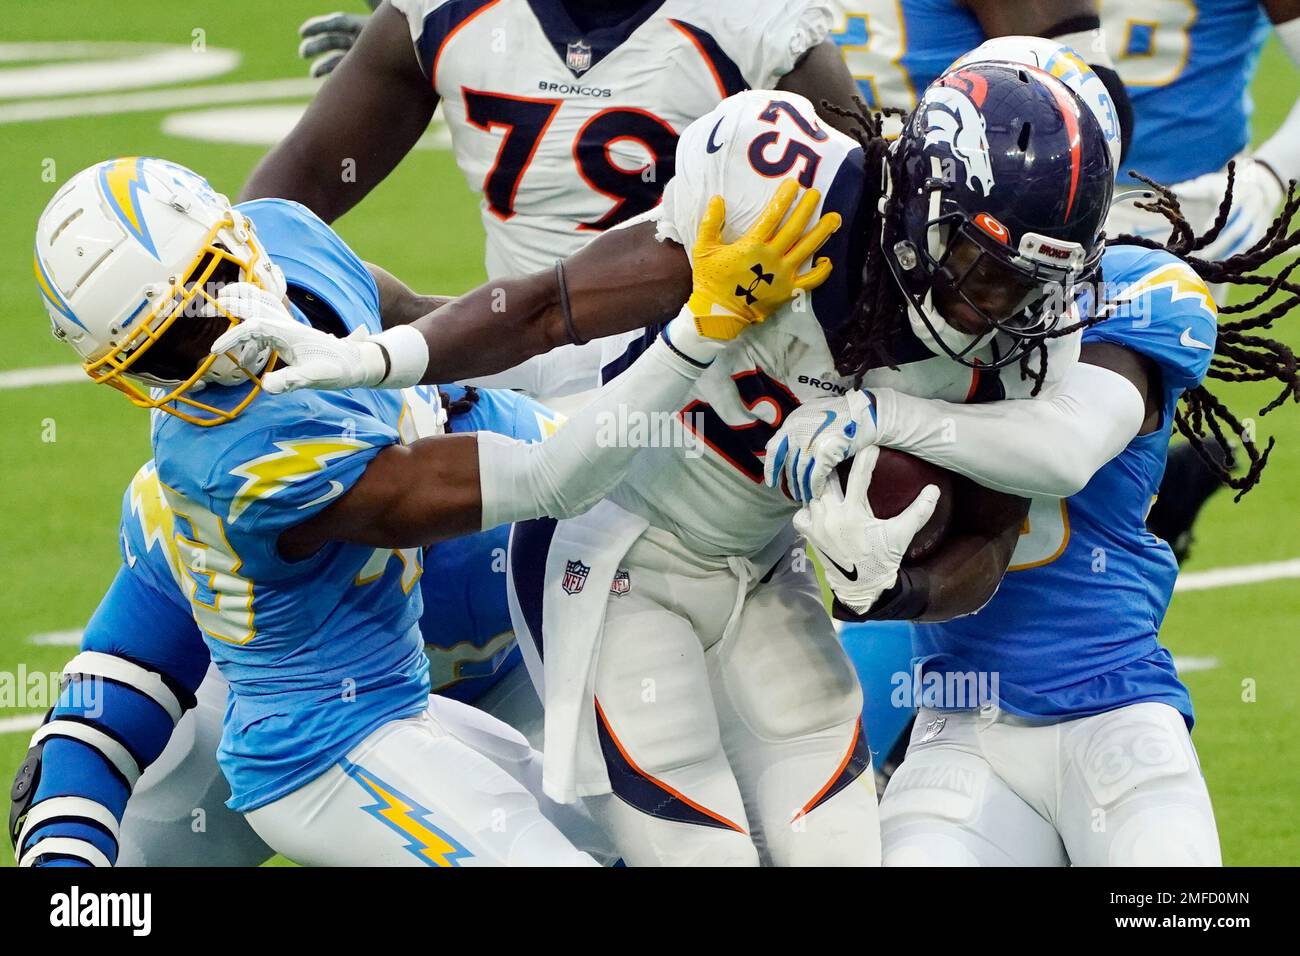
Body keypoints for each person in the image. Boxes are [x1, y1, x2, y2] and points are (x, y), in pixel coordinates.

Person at [222, 64, 1121, 865]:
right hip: (611, 548)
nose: (999, 303)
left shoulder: (1025, 339)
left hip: (760, 570)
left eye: (1034, 283)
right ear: (922, 203)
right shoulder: (792, 199)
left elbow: (990, 543)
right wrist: (390, 357)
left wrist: (889, 587)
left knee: (843, 848)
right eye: (982, 262)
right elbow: (549, 309)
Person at [19, 155, 834, 865]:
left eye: (207, 302)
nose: (214, 352)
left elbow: (464, 333)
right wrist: (63, 832)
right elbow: (119, 678)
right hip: (323, 747)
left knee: (674, 835)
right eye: (164, 352)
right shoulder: (239, 465)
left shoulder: (305, 259)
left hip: (455, 698)